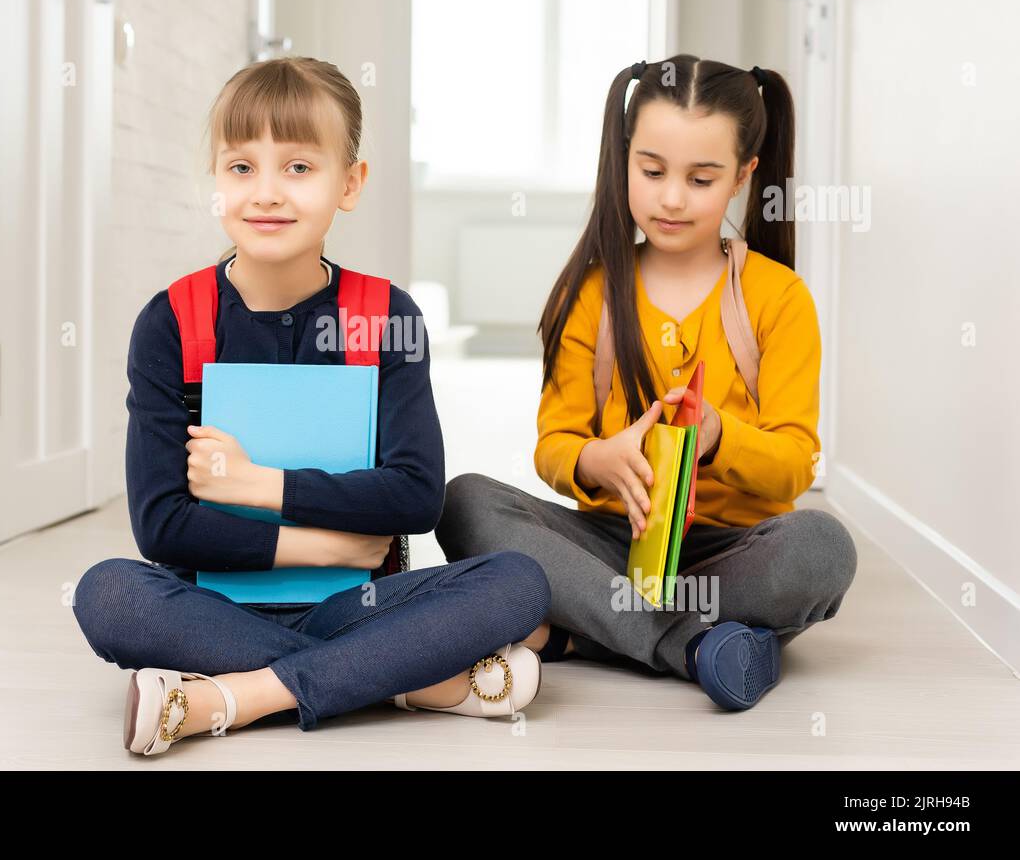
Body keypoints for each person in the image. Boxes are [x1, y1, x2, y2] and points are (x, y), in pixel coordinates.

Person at [73, 56, 551, 756]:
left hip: (358, 602)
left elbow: (417, 497)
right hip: (211, 605)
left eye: (298, 168)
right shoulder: (172, 321)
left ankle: (234, 697)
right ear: (216, 180)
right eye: (241, 168)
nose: (266, 193)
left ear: (350, 183)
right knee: (106, 594)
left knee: (518, 583)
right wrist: (320, 544)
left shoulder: (385, 315)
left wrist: (256, 485)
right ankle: (404, 678)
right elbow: (162, 526)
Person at [435, 55, 857, 711]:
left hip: (726, 552)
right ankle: (695, 646)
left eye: (702, 178)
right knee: (464, 503)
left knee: (821, 550)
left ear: (745, 175)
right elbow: (555, 445)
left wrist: (719, 436)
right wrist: (599, 460)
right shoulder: (593, 294)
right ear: (623, 158)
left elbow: (794, 468)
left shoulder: (780, 298)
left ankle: (584, 635)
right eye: (652, 171)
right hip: (607, 543)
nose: (671, 197)